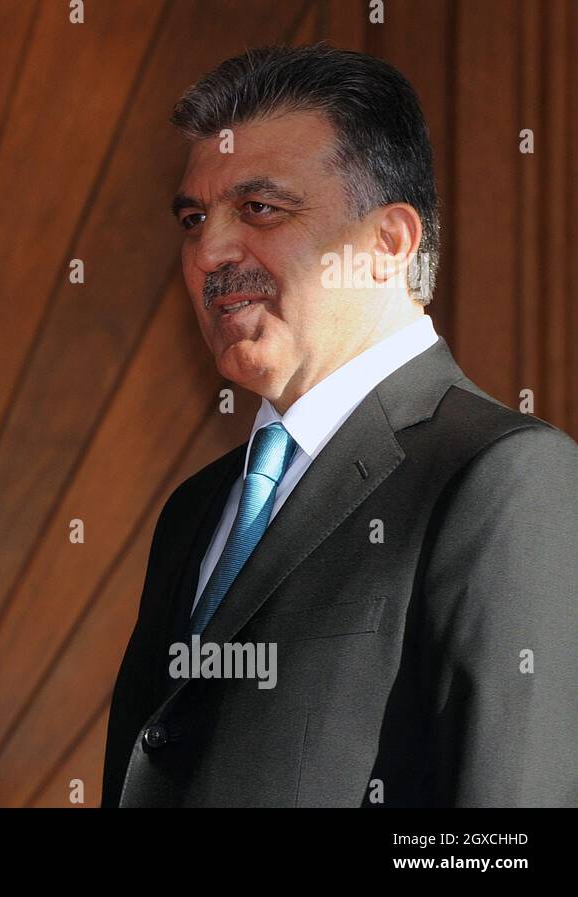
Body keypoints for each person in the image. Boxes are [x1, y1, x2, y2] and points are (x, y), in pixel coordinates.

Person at [102, 44, 578, 807]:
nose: (209, 251)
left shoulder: (507, 480)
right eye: (193, 218)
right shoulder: (194, 510)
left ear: (388, 244)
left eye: (259, 208)